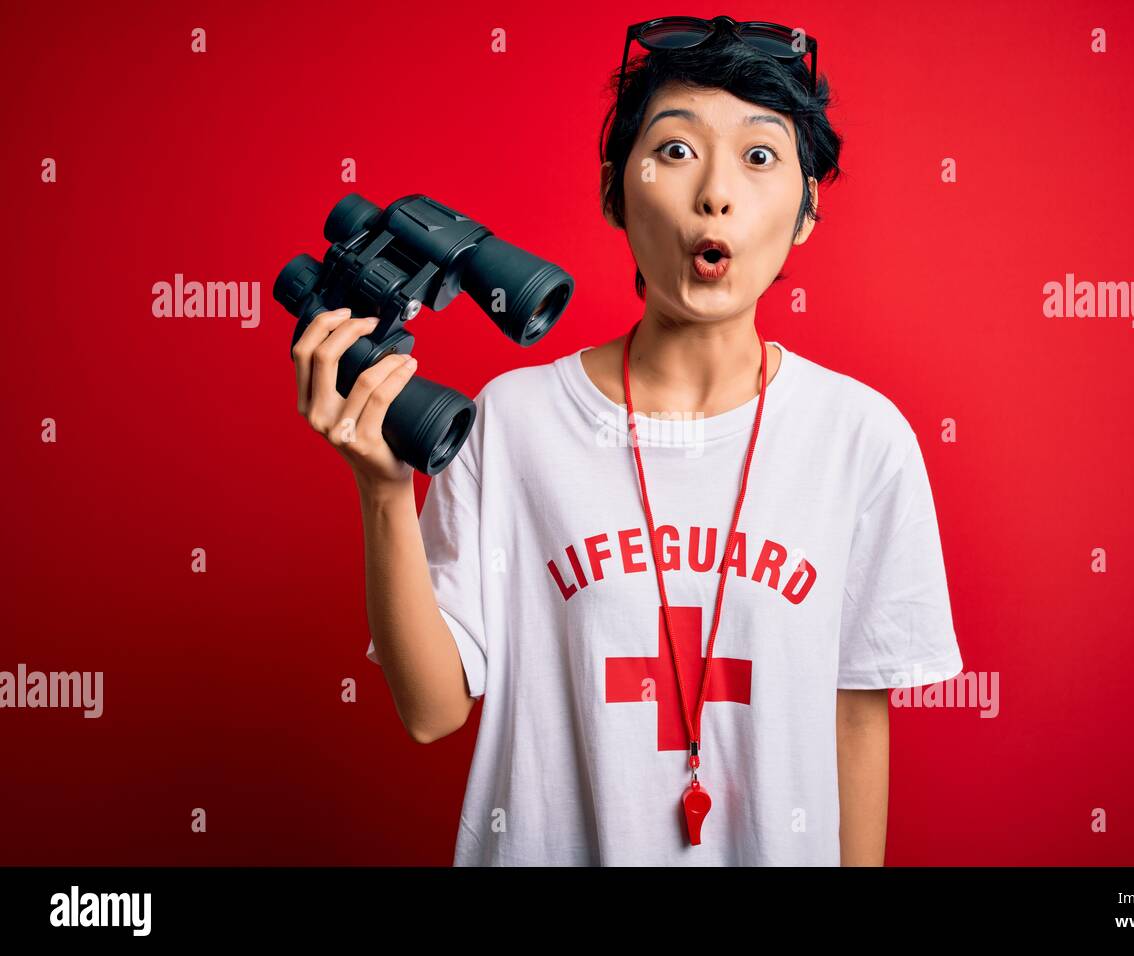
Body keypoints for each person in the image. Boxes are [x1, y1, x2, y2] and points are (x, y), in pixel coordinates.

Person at [290, 18, 963, 866]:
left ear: (806, 211)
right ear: (615, 192)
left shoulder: (862, 440)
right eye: (675, 151)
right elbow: (431, 711)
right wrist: (383, 492)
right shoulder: (512, 421)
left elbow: (856, 719)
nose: (715, 193)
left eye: (760, 157)